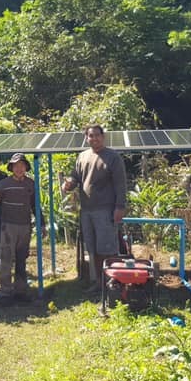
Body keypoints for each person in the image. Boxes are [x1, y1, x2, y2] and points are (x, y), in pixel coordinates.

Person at [62, 125, 127, 291]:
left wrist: (120, 207)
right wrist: (68, 184)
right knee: (93, 249)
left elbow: (121, 184)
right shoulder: (82, 156)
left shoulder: (113, 157)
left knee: (109, 249)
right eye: (91, 136)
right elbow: (75, 177)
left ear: (103, 137)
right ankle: (99, 282)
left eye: (97, 135)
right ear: (86, 138)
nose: (94, 138)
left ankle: (113, 283)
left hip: (105, 210)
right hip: (86, 210)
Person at [0, 153, 36, 299]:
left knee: (22, 258)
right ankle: (5, 291)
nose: (19, 168)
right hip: (8, 227)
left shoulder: (31, 184)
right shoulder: (3, 184)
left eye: (22, 165)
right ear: (11, 168)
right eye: (16, 166)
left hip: (25, 226)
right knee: (6, 259)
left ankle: (20, 289)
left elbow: (35, 205)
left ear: (26, 167)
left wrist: (42, 224)